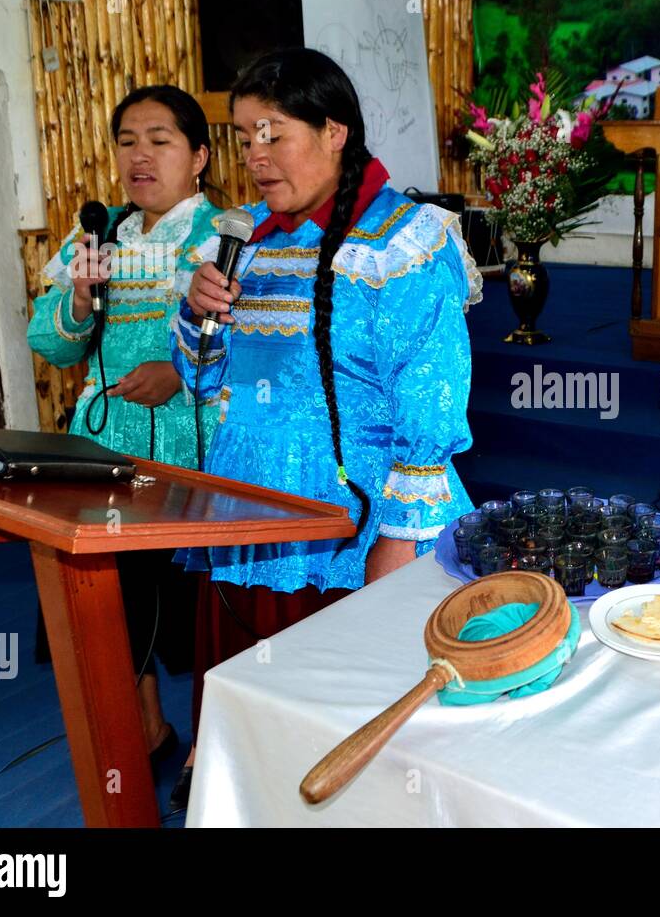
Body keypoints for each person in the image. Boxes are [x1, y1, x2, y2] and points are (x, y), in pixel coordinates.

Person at [170, 48, 482, 809]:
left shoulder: (402, 244)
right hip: (246, 522)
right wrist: (199, 315)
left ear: (335, 130)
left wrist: (399, 546)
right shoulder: (242, 238)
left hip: (354, 529)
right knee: (258, 730)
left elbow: (430, 406)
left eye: (272, 133)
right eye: (244, 138)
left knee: (353, 748)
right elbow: (202, 383)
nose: (255, 156)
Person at [27, 85, 226, 771]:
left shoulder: (226, 234)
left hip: (194, 439)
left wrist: (179, 371)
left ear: (198, 156)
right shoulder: (99, 233)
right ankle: (146, 729)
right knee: (113, 595)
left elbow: (263, 344)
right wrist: (79, 298)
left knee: (198, 603)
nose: (139, 156)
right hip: (104, 441)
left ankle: (211, 744)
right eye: (127, 141)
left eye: (159, 140)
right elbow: (50, 345)